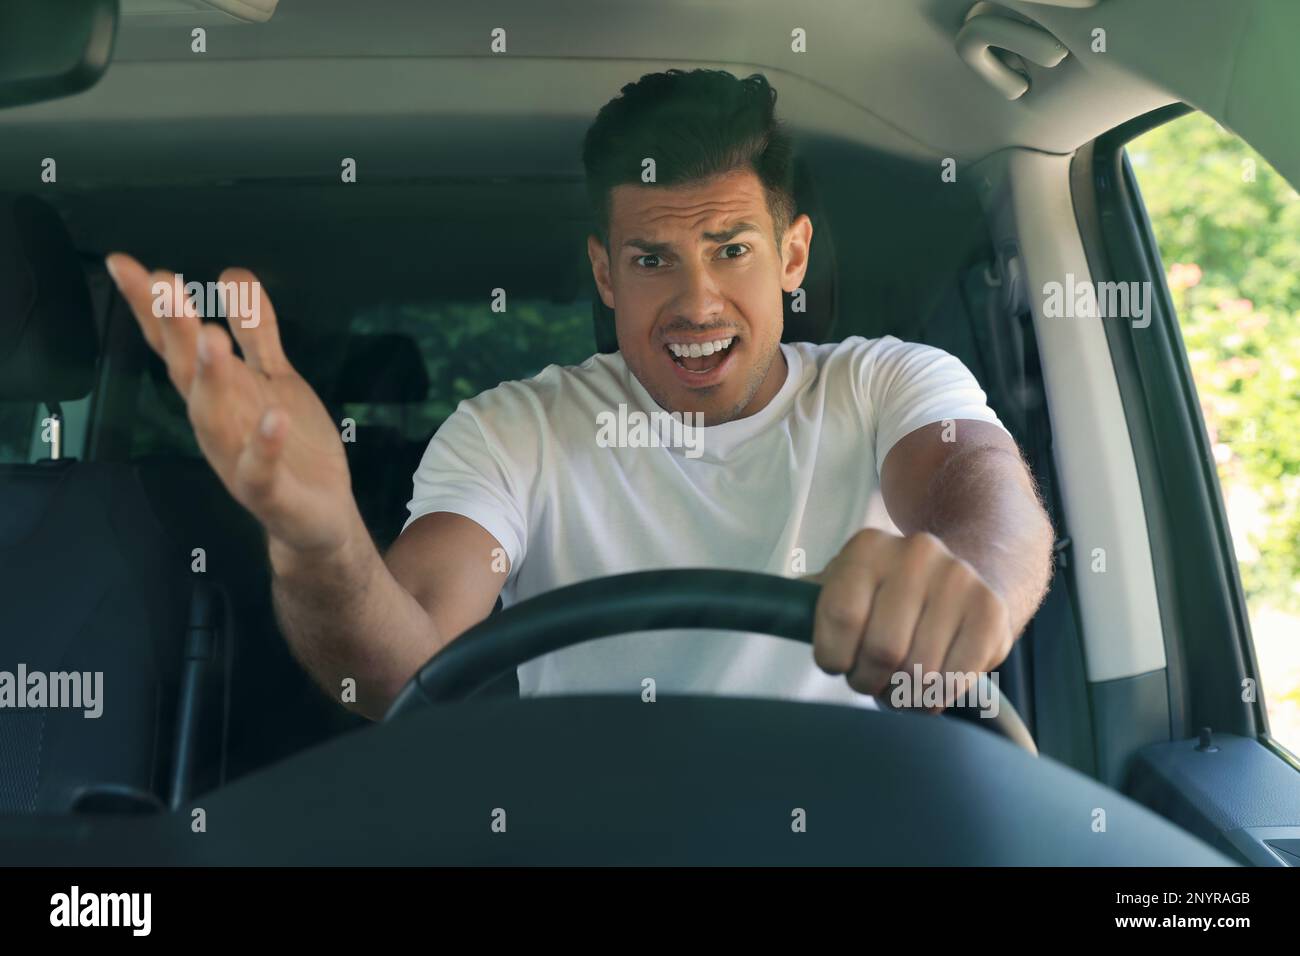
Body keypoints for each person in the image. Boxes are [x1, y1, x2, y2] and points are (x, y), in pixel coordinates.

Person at [105, 69, 1054, 721]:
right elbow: (396, 671)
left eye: (731, 248)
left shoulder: (887, 378)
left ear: (792, 254)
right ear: (606, 274)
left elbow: (986, 497)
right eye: (652, 259)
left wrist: (973, 591)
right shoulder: (516, 430)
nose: (695, 302)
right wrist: (320, 539)